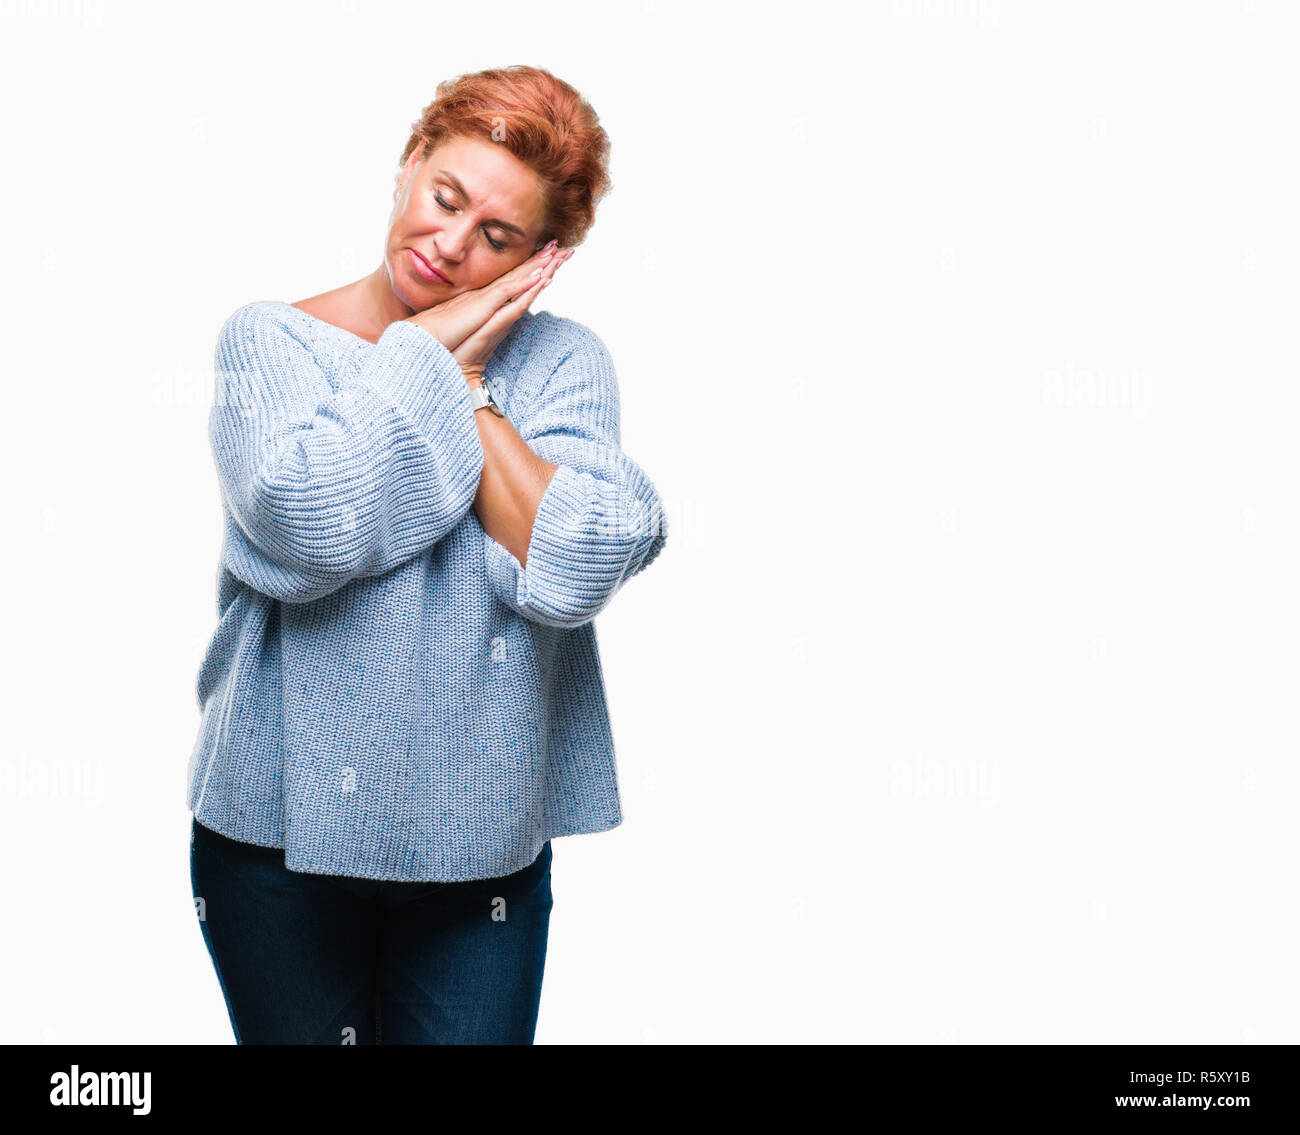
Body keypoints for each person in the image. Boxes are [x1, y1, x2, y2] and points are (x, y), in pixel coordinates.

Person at [186, 65, 668, 1045]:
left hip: (478, 851)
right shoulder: (269, 343)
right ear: (410, 165)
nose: (449, 247)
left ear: (543, 257)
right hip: (274, 848)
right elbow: (309, 522)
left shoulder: (565, 361)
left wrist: (470, 381)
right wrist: (425, 351)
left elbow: (572, 566)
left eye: (496, 236)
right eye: (444, 198)